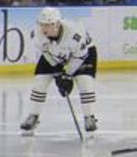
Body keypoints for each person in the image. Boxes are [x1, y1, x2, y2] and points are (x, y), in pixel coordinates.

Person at [19, 7, 99, 135]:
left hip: (83, 54)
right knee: (39, 82)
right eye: (42, 24)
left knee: (85, 82)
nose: (44, 28)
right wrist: (57, 71)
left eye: (48, 25)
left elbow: (81, 56)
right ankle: (33, 116)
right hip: (54, 53)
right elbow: (46, 52)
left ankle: (89, 117)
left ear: (57, 24)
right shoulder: (36, 34)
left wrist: (67, 75)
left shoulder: (74, 34)